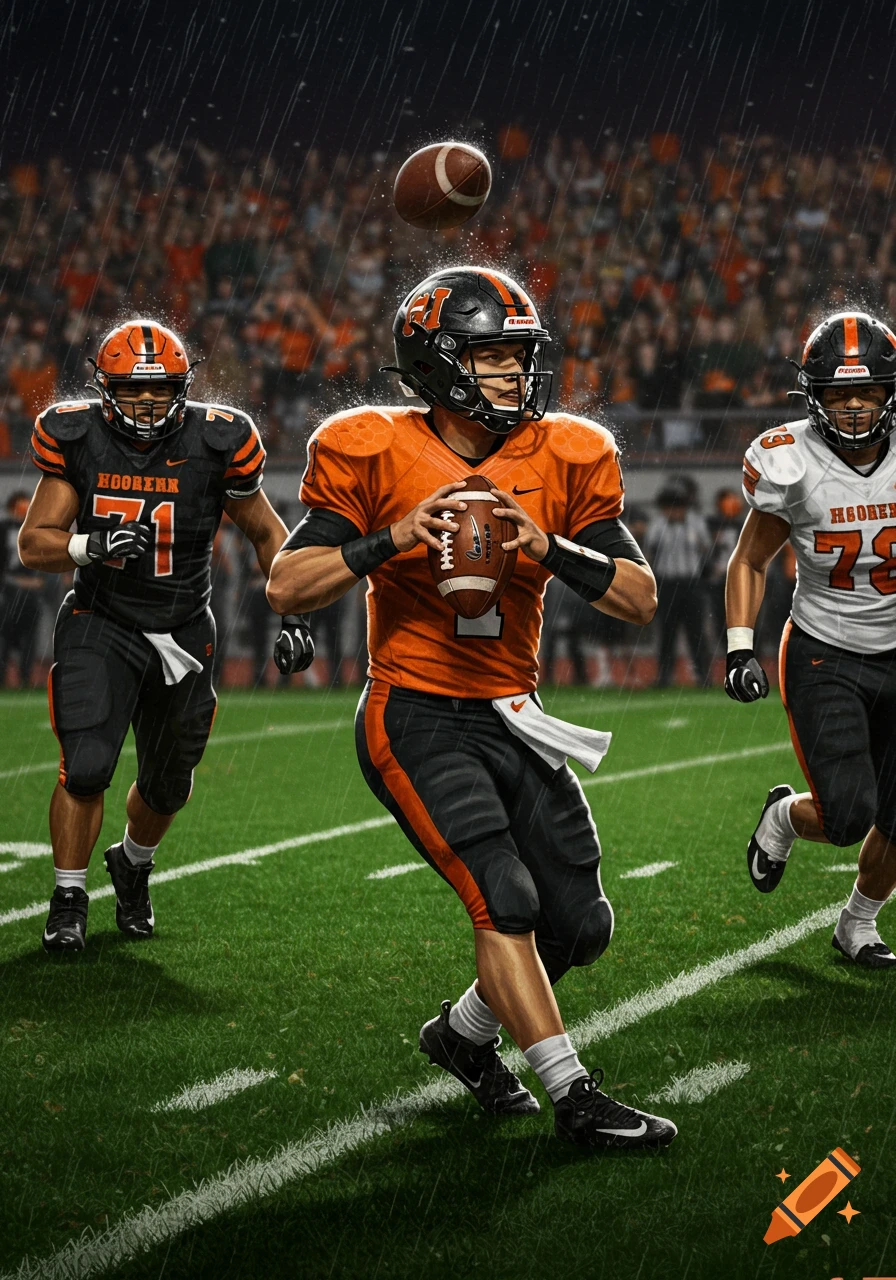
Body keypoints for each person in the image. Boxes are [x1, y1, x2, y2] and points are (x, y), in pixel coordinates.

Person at [268, 266, 677, 1151]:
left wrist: (554, 547)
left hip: (514, 712)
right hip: (414, 712)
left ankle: (462, 1035)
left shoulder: (568, 451)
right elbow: (286, 584)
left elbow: (641, 600)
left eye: (517, 357)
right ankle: (573, 1096)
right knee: (505, 897)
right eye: (491, 357)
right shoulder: (371, 447)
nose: (512, 376)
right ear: (440, 363)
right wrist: (389, 540)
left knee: (580, 925)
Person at [18, 319, 314, 954]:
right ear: (105, 387)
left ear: (184, 386)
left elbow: (265, 531)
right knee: (87, 765)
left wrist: (292, 611)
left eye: (161, 389)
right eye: (132, 389)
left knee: (169, 781)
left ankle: (132, 863)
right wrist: (87, 544)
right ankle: (68, 895)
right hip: (104, 620)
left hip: (182, 629)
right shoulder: (78, 437)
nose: (148, 402)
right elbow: (34, 543)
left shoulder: (217, 439)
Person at [725, 310, 896, 969]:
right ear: (813, 395)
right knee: (849, 813)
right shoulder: (790, 461)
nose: (853, 406)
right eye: (837, 393)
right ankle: (785, 818)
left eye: (868, 391)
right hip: (827, 650)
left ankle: (857, 926)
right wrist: (741, 646)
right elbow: (748, 561)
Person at [645, 479, 712, 686]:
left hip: (690, 584)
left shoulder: (696, 522)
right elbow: (649, 553)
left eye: (677, 505)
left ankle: (703, 676)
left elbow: (706, 551)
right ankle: (664, 677)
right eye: (669, 506)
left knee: (696, 632)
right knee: (666, 632)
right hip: (667, 584)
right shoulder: (658, 525)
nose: (673, 510)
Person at [0, 490, 47, 686]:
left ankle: (27, 677)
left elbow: (45, 564)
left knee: (29, 639)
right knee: (4, 637)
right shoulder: (4, 529)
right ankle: (3, 678)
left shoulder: (37, 530)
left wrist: (40, 582)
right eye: (20, 507)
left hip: (30, 595)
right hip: (8, 593)